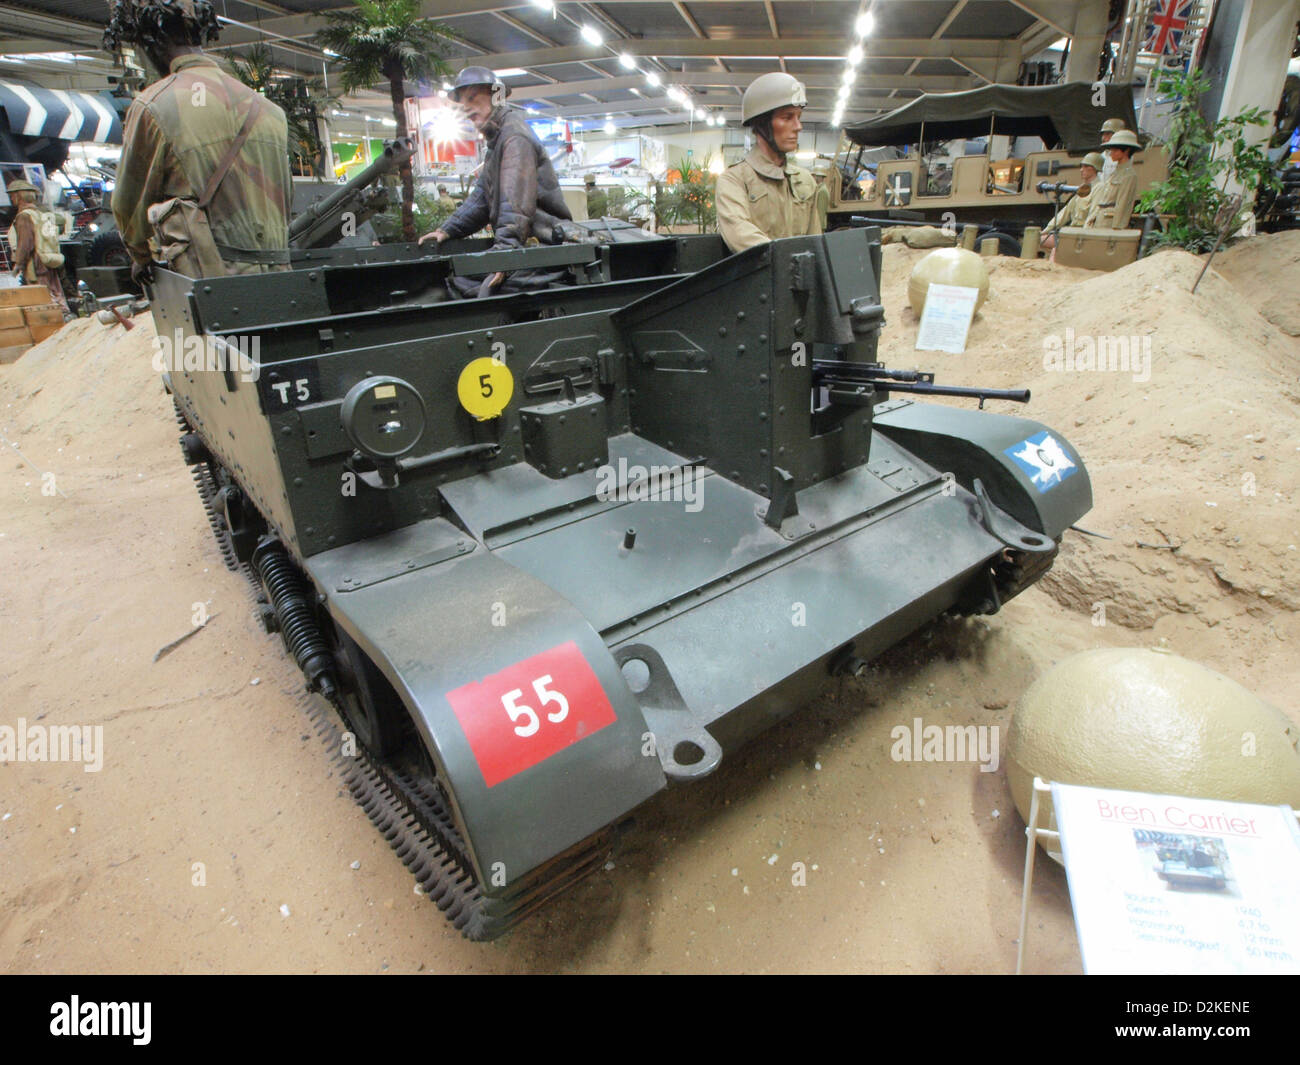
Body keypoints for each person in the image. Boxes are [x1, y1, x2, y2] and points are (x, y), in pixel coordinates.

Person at [103, 0, 292, 280]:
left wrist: (141, 257)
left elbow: (129, 207)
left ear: (150, 41)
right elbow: (285, 199)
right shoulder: (269, 110)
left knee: (179, 326)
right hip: (283, 280)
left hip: (211, 287)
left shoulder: (154, 106)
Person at [418, 66, 573, 297]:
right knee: (457, 276)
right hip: (527, 248)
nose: (466, 107)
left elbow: (515, 203)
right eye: (462, 101)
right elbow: (482, 197)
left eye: (472, 97)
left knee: (468, 286)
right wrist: (448, 229)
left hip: (542, 249)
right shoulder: (498, 139)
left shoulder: (514, 137)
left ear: (496, 96)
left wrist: (504, 253)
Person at [715, 72, 821, 254]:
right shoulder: (734, 181)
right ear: (762, 124)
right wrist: (792, 261)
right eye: (787, 117)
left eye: (798, 117)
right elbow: (740, 236)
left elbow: (816, 243)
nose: (798, 126)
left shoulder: (804, 181)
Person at [6, 178, 70, 314]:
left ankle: (55, 318)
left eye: (12, 195)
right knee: (55, 289)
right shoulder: (40, 214)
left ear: (19, 196)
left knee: (43, 293)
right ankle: (64, 314)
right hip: (48, 258)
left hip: (35, 262)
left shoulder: (24, 216)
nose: (11, 199)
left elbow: (26, 243)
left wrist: (19, 263)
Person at [1040, 151, 1104, 251]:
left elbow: (1093, 214)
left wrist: (1084, 237)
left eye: (1085, 167)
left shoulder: (1099, 188)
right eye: (1081, 166)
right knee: (1039, 240)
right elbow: (1065, 213)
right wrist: (1047, 230)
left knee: (1053, 250)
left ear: (1093, 169)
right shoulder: (1082, 188)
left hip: (1081, 235)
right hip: (1071, 232)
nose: (1081, 170)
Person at [1085, 129, 1141, 230]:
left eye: (1115, 150)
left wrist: (1116, 230)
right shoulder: (1116, 173)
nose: (1111, 153)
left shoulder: (1128, 175)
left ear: (1126, 151)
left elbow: (1123, 207)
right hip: (1100, 221)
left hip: (1109, 225)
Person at [1098, 117, 1126, 182]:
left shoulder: (1124, 156)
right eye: (1103, 134)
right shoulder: (1102, 156)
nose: (1103, 138)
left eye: (1107, 134)